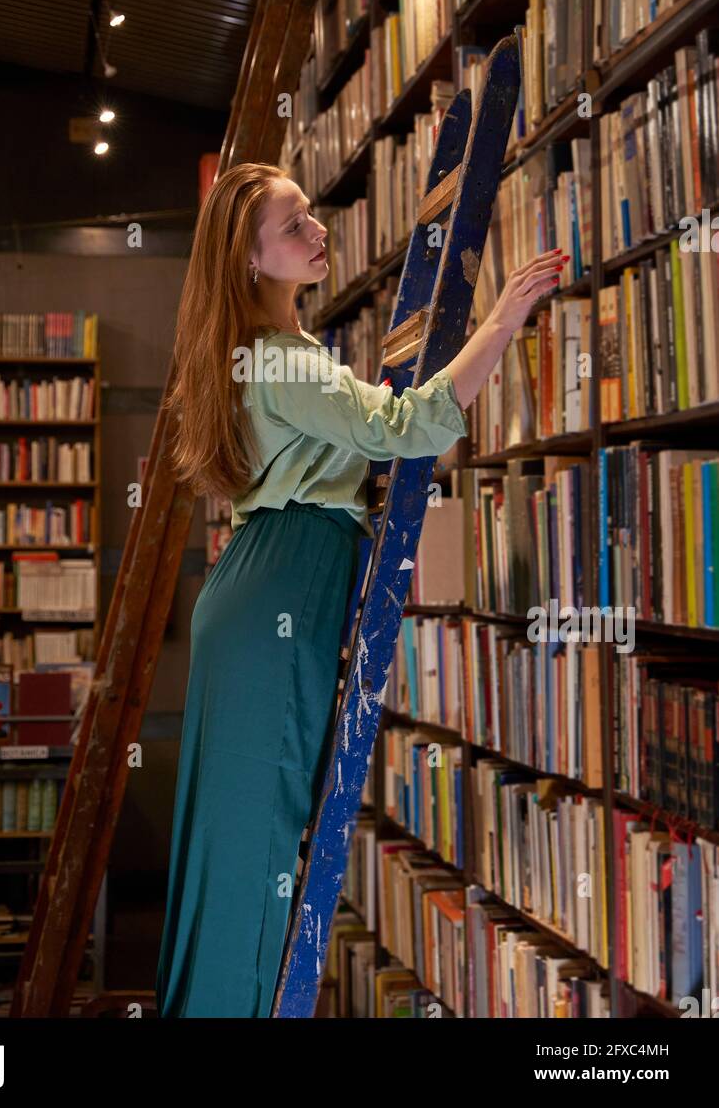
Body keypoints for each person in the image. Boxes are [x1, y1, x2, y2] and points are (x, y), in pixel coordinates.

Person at [155, 161, 567, 1017]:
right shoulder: (281, 361)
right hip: (282, 580)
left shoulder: (274, 355)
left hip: (264, 580)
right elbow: (403, 430)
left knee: (243, 834)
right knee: (261, 828)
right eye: (294, 228)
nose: (318, 233)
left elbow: (359, 430)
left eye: (312, 214)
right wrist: (501, 318)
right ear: (251, 264)